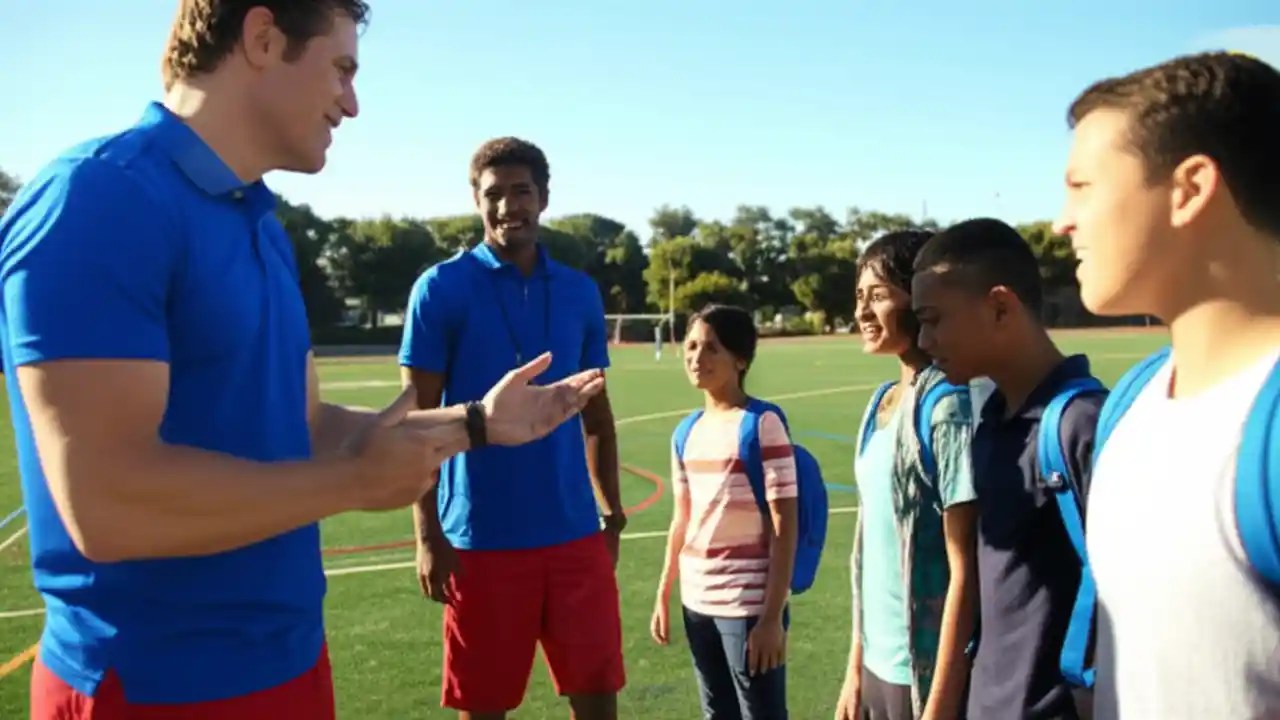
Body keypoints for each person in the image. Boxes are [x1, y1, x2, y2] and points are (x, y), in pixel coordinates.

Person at [0, 3, 606, 718]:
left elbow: (304, 422)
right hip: (158, 684)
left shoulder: (257, 223)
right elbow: (107, 503)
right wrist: (352, 481)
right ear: (263, 39)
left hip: (287, 662)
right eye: (342, 69)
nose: (351, 102)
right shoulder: (100, 198)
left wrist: (476, 423)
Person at [1053, 51, 1280, 719]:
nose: (1062, 220)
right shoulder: (1130, 403)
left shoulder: (1264, 431)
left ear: (1190, 188)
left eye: (1081, 186)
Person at [399, 137, 626, 720]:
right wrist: (428, 535)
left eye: (520, 192)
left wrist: (612, 514)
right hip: (480, 543)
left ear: (543, 197)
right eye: (492, 195)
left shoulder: (578, 292)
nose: (507, 208)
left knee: (598, 698)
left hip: (575, 539)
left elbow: (596, 414)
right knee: (484, 705)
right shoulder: (440, 288)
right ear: (475, 201)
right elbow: (413, 422)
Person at [910, 218, 1105, 720]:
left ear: (1000, 306)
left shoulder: (1083, 426)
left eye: (933, 319)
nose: (924, 340)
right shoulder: (992, 422)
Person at [835, 231, 979, 720]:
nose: (862, 311)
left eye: (877, 295)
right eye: (859, 296)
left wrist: (937, 705)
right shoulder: (880, 402)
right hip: (877, 668)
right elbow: (868, 552)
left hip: (920, 677)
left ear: (918, 299)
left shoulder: (947, 408)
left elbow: (967, 569)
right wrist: (855, 669)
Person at [650, 303, 798, 719]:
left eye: (712, 348)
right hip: (696, 600)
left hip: (747, 604)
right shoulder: (686, 432)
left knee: (761, 713)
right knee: (717, 712)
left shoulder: (762, 423)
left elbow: (785, 526)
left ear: (740, 358)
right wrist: (664, 592)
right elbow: (682, 518)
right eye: (692, 346)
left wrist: (771, 618)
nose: (698, 357)